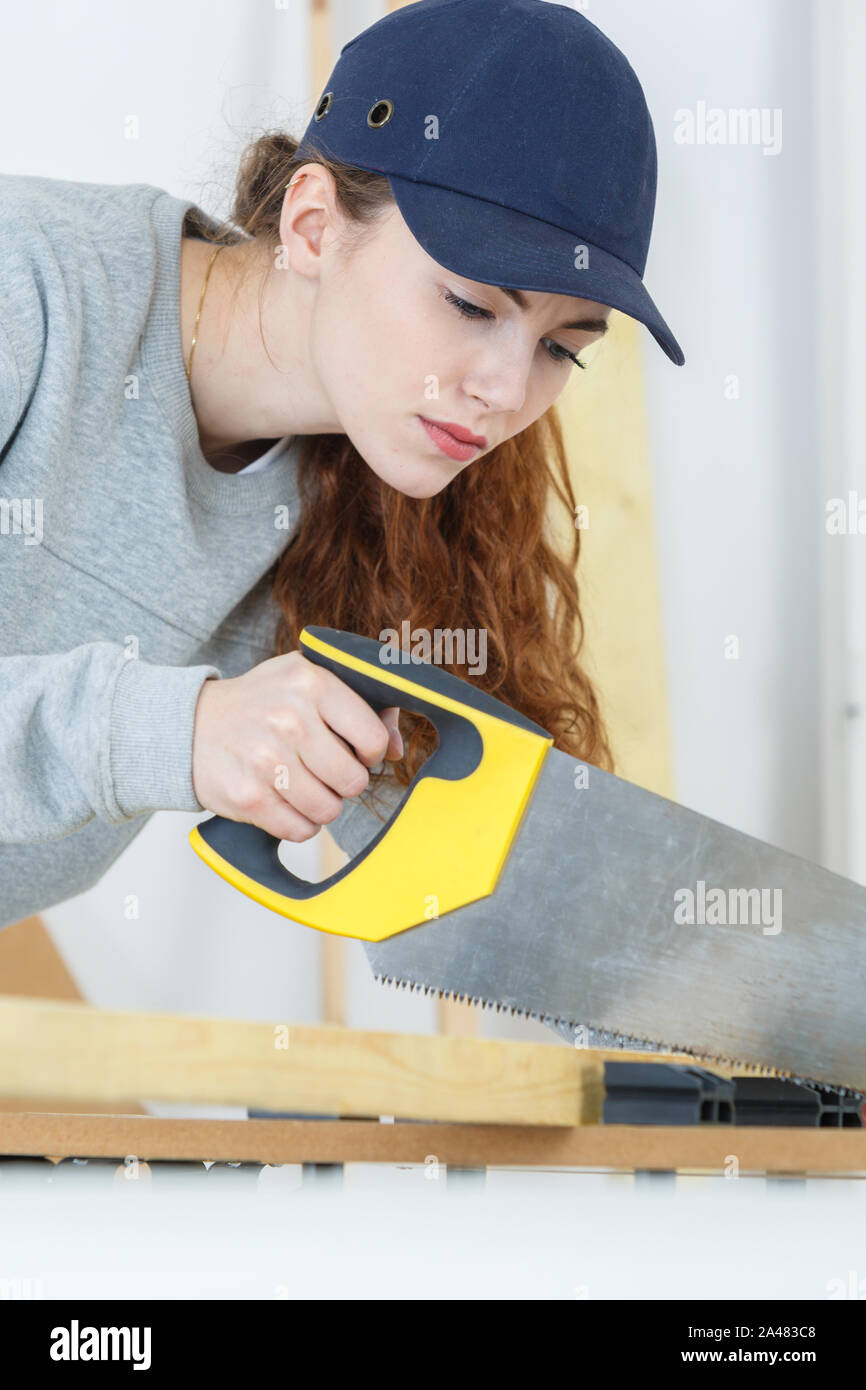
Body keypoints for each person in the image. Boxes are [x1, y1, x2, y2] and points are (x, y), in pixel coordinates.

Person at [0, 0, 684, 929]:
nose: (505, 390)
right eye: (472, 305)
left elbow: (488, 900)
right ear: (314, 224)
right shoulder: (25, 285)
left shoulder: (382, 480)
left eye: (562, 348)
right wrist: (177, 730)